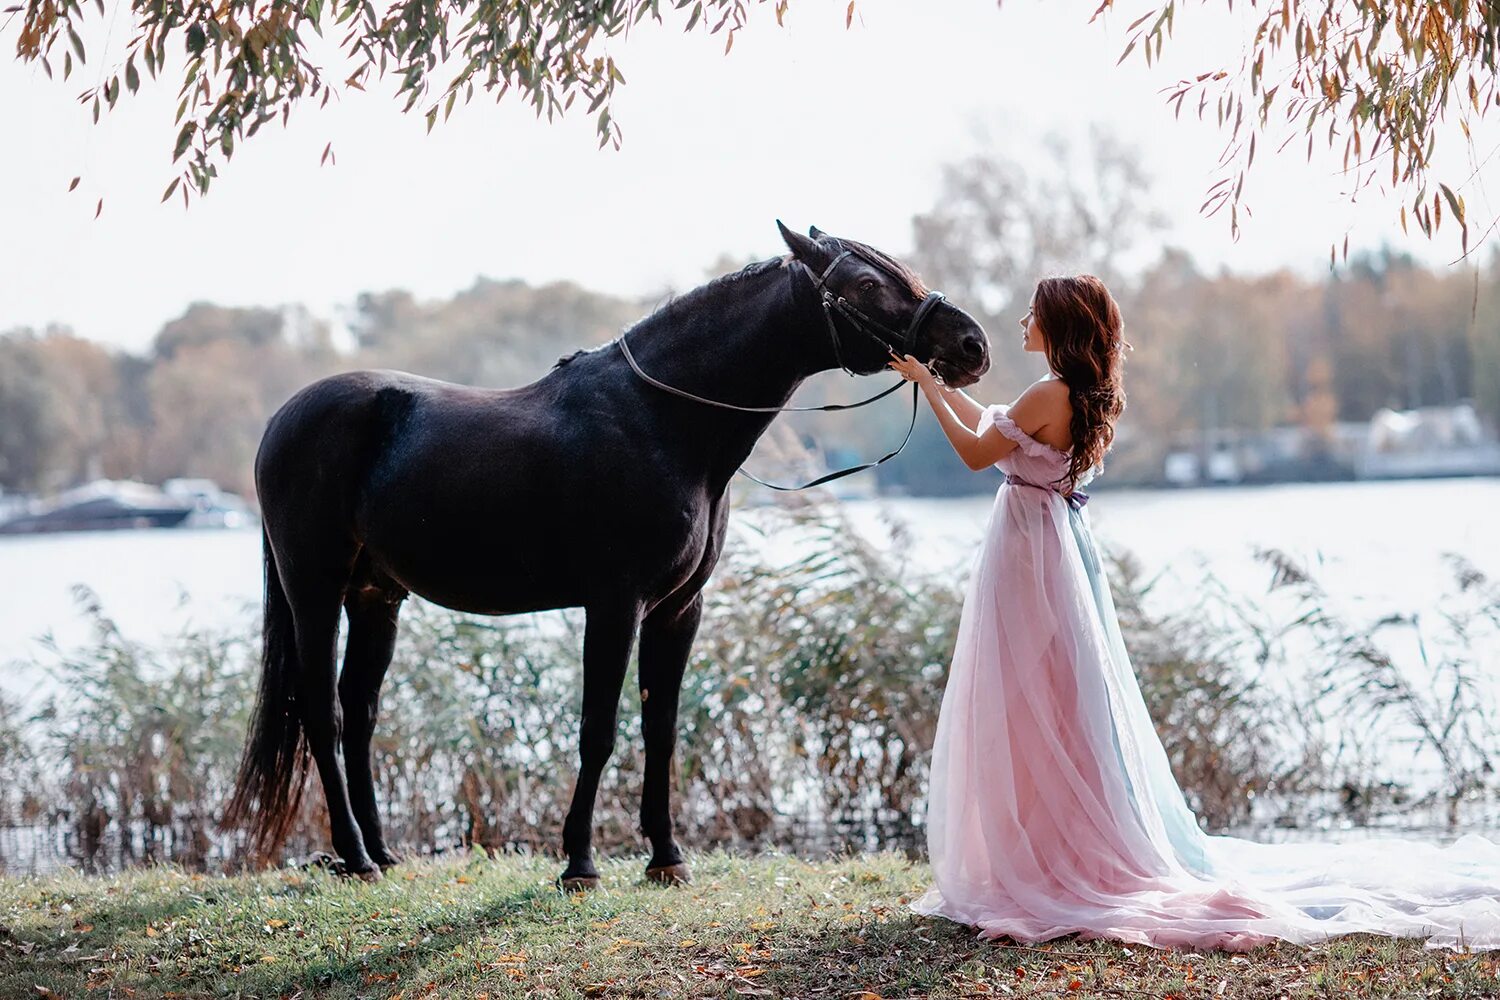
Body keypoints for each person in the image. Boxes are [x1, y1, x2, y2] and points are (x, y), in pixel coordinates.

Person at [886, 275, 1500, 952]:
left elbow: (976, 450)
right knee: (1054, 701)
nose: (1025, 319)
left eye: (1036, 312)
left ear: (1059, 326)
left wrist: (927, 386)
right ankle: (1051, 843)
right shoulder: (1073, 395)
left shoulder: (1047, 393)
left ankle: (1040, 854)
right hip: (1049, 551)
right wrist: (938, 383)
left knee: (1028, 697)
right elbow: (994, 426)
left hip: (1028, 555)